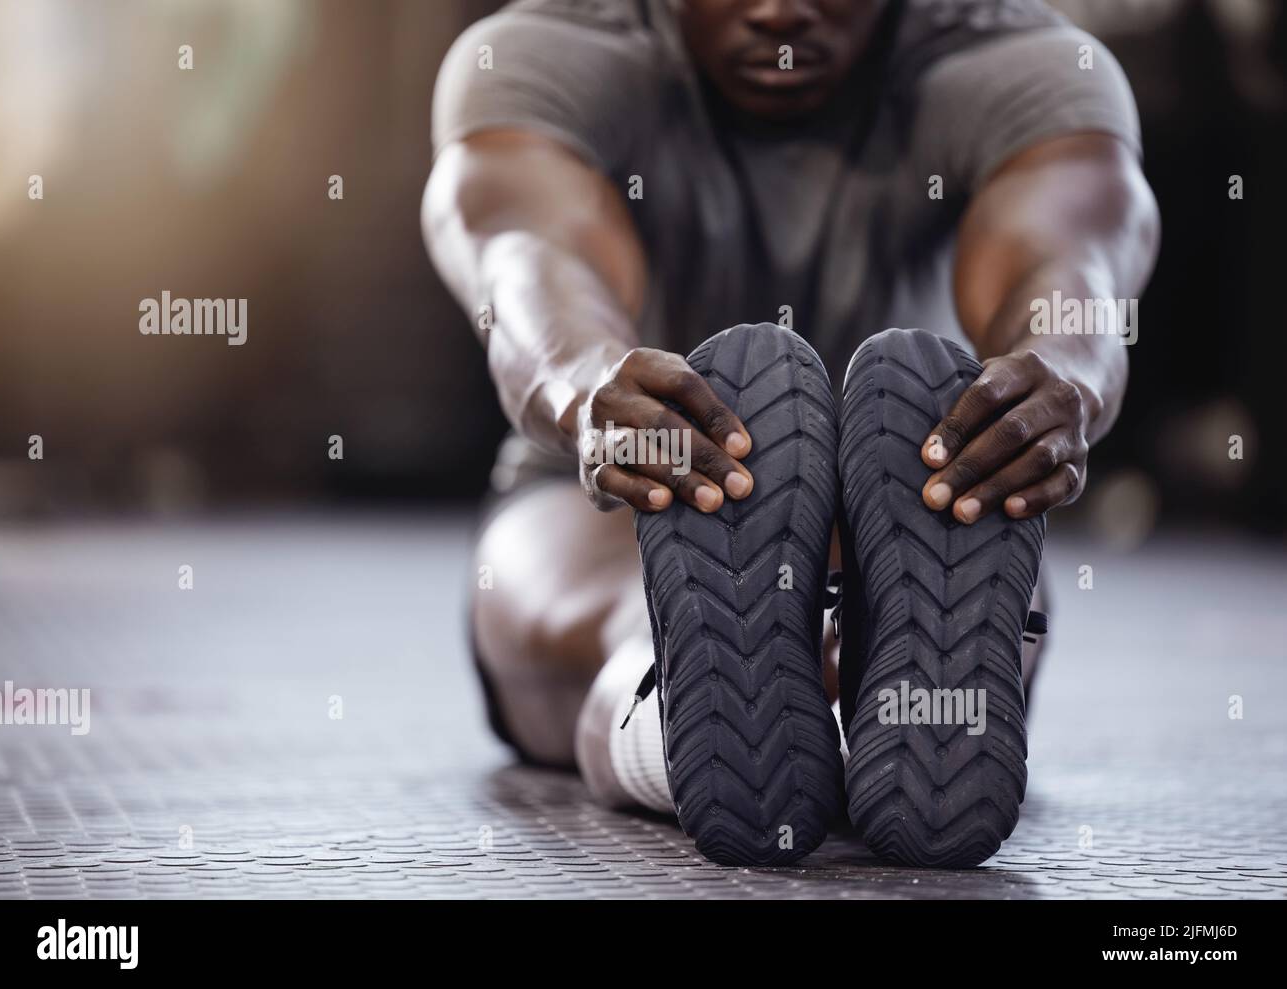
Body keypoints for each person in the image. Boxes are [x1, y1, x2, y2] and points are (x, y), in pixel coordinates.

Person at [422, 0, 1159, 867]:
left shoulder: (1013, 60)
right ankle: (776, 685)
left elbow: (1072, 265)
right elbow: (524, 261)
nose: (781, 9)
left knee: (950, 550)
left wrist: (1056, 378)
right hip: (620, 482)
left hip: (917, 487)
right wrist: (587, 390)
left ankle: (732, 705)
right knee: (648, 604)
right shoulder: (550, 51)